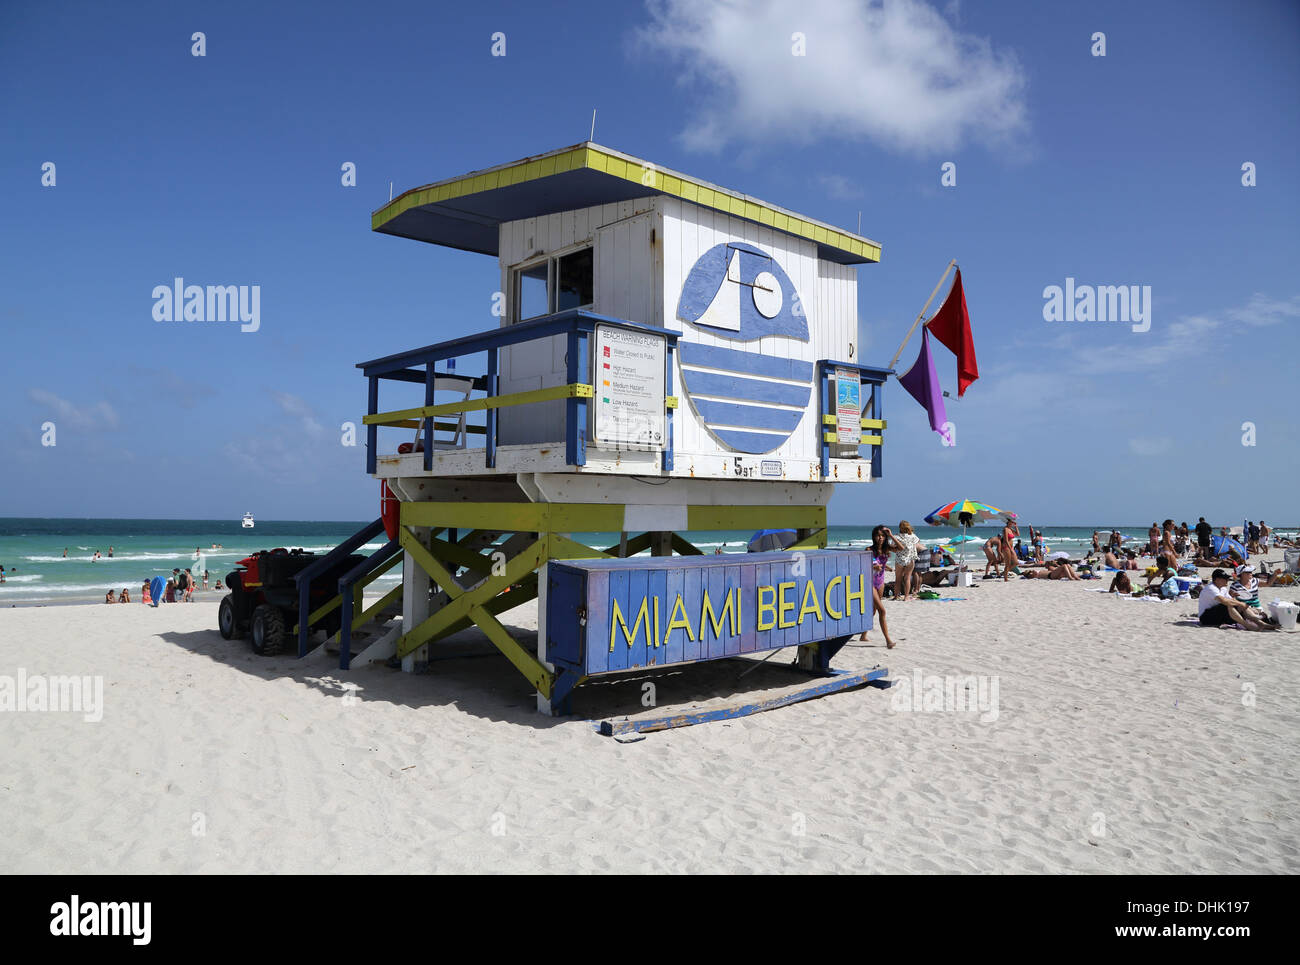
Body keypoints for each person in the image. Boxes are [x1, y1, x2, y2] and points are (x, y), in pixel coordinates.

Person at [853, 526, 897, 648]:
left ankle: (863, 635)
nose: (880, 538)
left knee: (873, 610)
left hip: (880, 582)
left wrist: (891, 535)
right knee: (882, 611)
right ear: (873, 537)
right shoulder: (869, 549)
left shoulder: (886, 548)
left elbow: (902, 549)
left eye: (882, 535)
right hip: (869, 582)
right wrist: (873, 567)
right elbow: (862, 564)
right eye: (878, 535)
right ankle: (888, 640)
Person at [1198, 569, 1274, 630]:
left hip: (1217, 614)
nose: (1227, 580)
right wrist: (1240, 604)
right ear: (1217, 580)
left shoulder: (1223, 588)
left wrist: (1245, 606)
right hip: (1206, 617)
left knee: (1236, 604)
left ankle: (1261, 623)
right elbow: (1224, 601)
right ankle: (1246, 625)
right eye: (1225, 579)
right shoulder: (1211, 588)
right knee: (1230, 604)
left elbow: (1231, 600)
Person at [892, 521, 923, 602]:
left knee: (898, 579)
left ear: (900, 527)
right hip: (910, 559)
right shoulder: (913, 536)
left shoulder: (896, 537)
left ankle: (896, 596)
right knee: (907, 579)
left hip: (900, 559)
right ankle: (906, 597)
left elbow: (893, 547)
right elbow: (918, 542)